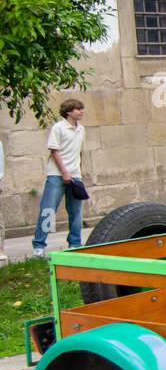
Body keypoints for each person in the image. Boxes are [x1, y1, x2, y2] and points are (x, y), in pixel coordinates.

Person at [32, 98, 87, 257]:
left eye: (82, 108)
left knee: (76, 212)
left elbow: (79, 153)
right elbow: (54, 151)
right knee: (48, 210)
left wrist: (77, 173)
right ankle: (39, 246)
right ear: (69, 111)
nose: (82, 111)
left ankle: (75, 244)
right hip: (57, 175)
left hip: (75, 176)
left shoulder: (81, 129)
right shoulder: (59, 128)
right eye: (78, 109)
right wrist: (64, 172)